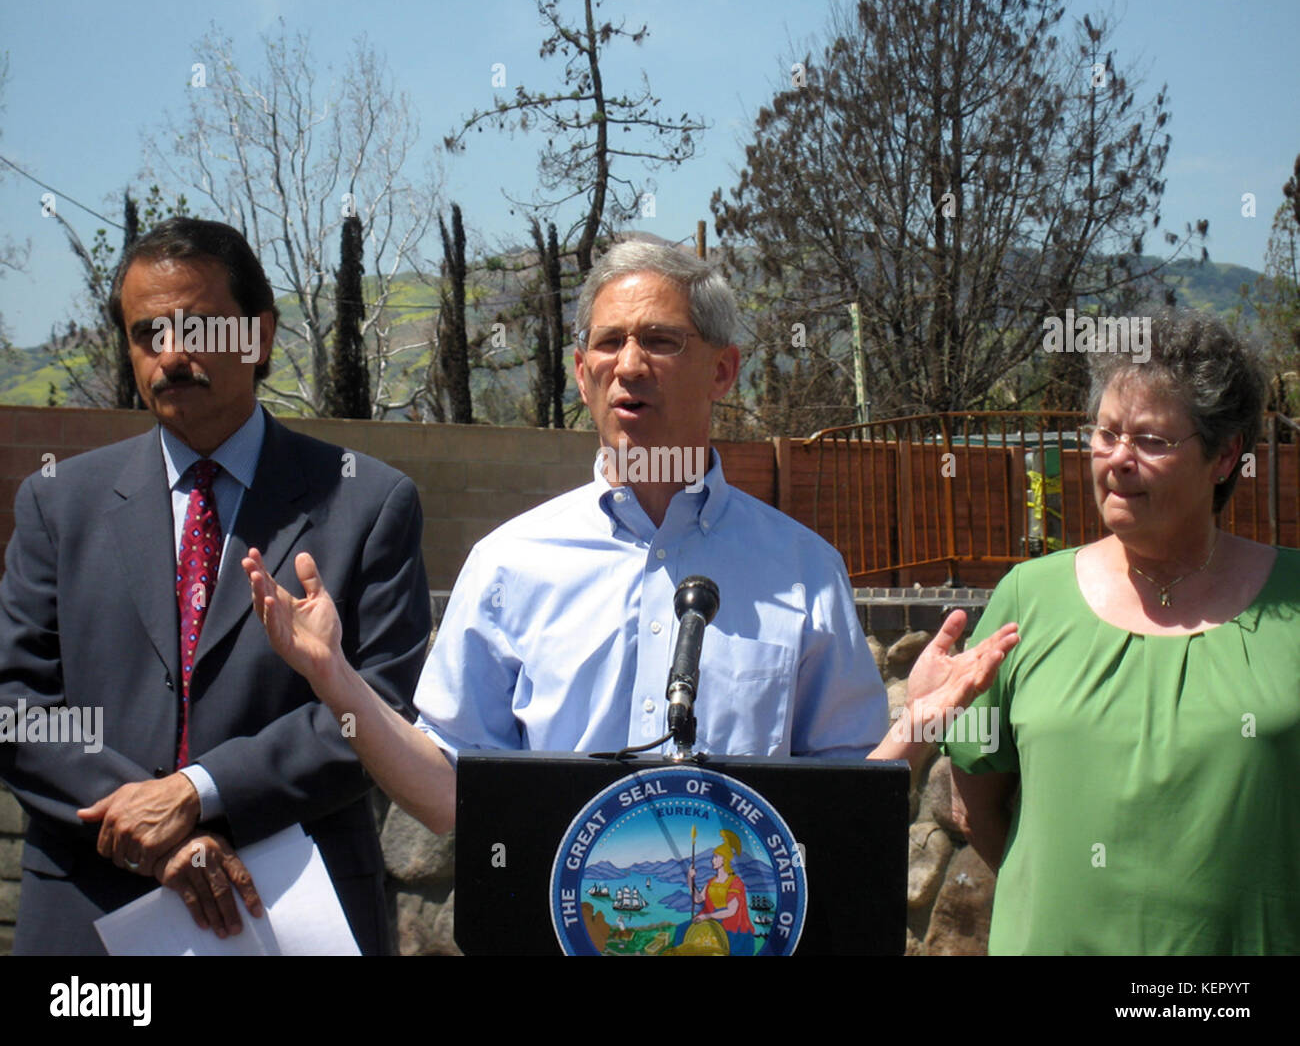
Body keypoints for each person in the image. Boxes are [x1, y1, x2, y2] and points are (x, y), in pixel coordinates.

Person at [246, 240, 1017, 835]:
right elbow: (453, 794)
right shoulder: (509, 565)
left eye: (661, 340)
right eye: (608, 344)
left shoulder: (804, 572)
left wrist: (913, 728)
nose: (629, 365)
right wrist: (332, 675)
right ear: (581, 374)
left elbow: (839, 807)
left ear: (723, 371)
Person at [0, 217, 429, 955]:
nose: (170, 357)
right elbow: (17, 707)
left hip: (291, 906)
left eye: (196, 328)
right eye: (146, 334)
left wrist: (197, 791)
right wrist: (146, 830)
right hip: (91, 907)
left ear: (259, 336)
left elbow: (376, 711)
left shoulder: (366, 502)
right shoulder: (58, 503)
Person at [947, 311, 1300, 955]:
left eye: (1151, 440)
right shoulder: (1027, 600)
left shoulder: (1294, 604)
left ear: (1224, 456)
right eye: (1106, 434)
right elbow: (977, 801)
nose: (1118, 461)